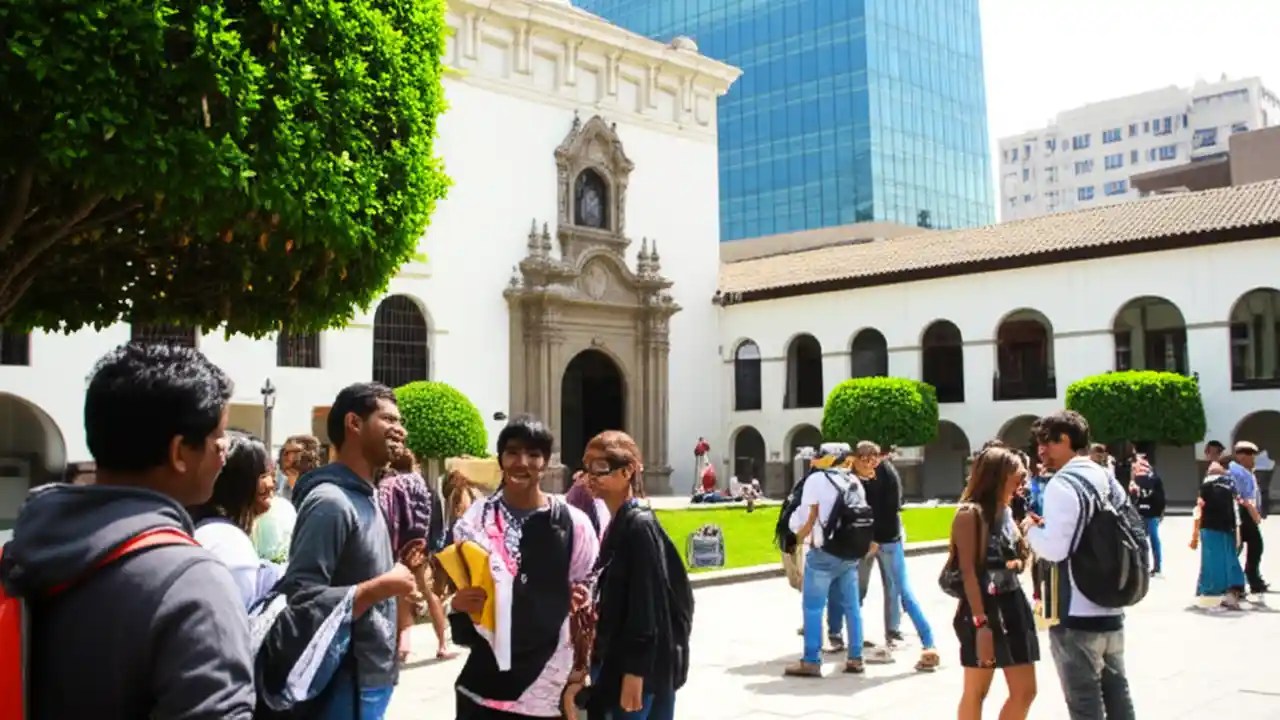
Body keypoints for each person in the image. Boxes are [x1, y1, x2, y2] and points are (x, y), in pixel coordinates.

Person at [0, 343, 255, 719]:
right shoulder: (192, 584)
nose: (224, 454)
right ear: (180, 452)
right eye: (220, 439)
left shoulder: (23, 549)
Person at [281, 382, 422, 719]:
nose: (400, 430)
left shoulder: (369, 495)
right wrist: (384, 586)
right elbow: (301, 597)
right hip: (341, 682)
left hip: (372, 676)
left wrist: (401, 617)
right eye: (388, 419)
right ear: (354, 424)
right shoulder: (330, 502)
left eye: (400, 421)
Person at [448, 415, 600, 719]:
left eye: (533, 454)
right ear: (501, 459)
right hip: (484, 686)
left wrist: (578, 672)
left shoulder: (574, 524)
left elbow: (588, 601)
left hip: (547, 691)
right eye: (513, 452)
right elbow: (462, 597)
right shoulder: (475, 522)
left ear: (545, 463)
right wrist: (457, 603)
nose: (522, 462)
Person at [1022, 411, 1135, 720]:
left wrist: (1030, 529)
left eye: (1046, 443)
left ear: (1067, 440)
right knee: (1118, 696)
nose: (1040, 451)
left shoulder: (1063, 484)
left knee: (1085, 703)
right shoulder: (1106, 478)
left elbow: (1055, 550)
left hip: (1076, 612)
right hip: (1112, 605)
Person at [583, 431, 691, 720]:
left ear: (627, 470)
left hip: (636, 670)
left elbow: (646, 605)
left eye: (599, 468)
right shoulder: (622, 520)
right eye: (586, 467)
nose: (590, 476)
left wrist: (635, 672)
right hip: (632, 663)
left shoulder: (638, 525)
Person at [952, 446, 1039, 720]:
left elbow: (1016, 563)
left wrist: (1026, 536)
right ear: (998, 476)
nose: (1022, 483)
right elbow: (967, 571)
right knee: (976, 691)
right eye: (1018, 476)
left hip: (1013, 603)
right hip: (982, 607)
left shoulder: (1007, 511)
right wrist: (981, 624)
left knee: (1025, 691)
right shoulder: (970, 514)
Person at [783, 442, 868, 677]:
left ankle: (811, 660)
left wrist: (796, 540)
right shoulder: (854, 481)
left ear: (830, 458)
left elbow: (809, 519)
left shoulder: (817, 480)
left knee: (812, 607)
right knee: (852, 608)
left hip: (823, 554)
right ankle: (855, 657)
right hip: (849, 553)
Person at [377, 445, 456, 662]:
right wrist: (429, 547)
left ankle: (401, 645)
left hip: (395, 547)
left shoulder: (388, 485)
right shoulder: (422, 484)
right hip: (418, 547)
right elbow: (432, 517)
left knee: (397, 594)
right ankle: (442, 643)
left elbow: (386, 517)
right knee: (428, 594)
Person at [188, 430, 284, 608]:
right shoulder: (227, 542)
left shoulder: (211, 532)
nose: (272, 484)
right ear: (240, 483)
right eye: (263, 475)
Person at [1191, 466, 1248, 609]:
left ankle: (1210, 589)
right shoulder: (1230, 488)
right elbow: (1235, 513)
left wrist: (1195, 535)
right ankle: (1233, 588)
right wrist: (1237, 532)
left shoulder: (1205, 487)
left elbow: (1198, 511)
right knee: (1228, 558)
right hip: (1226, 529)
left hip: (1208, 529)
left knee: (1210, 560)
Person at [1224, 441, 1268, 593]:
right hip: (1242, 512)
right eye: (1249, 454)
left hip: (1245, 512)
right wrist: (1253, 513)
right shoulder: (1237, 471)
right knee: (1252, 545)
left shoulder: (1245, 471)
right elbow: (1241, 496)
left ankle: (1246, 578)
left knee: (1246, 546)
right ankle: (1245, 579)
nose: (1253, 458)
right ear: (1240, 455)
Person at [1127, 456, 1166, 576]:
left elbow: (1131, 498)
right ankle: (1156, 566)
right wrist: (1160, 513)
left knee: (1138, 540)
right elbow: (1161, 498)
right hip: (1151, 513)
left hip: (1140, 513)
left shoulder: (1134, 480)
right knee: (1153, 539)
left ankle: (1141, 566)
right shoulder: (1154, 479)